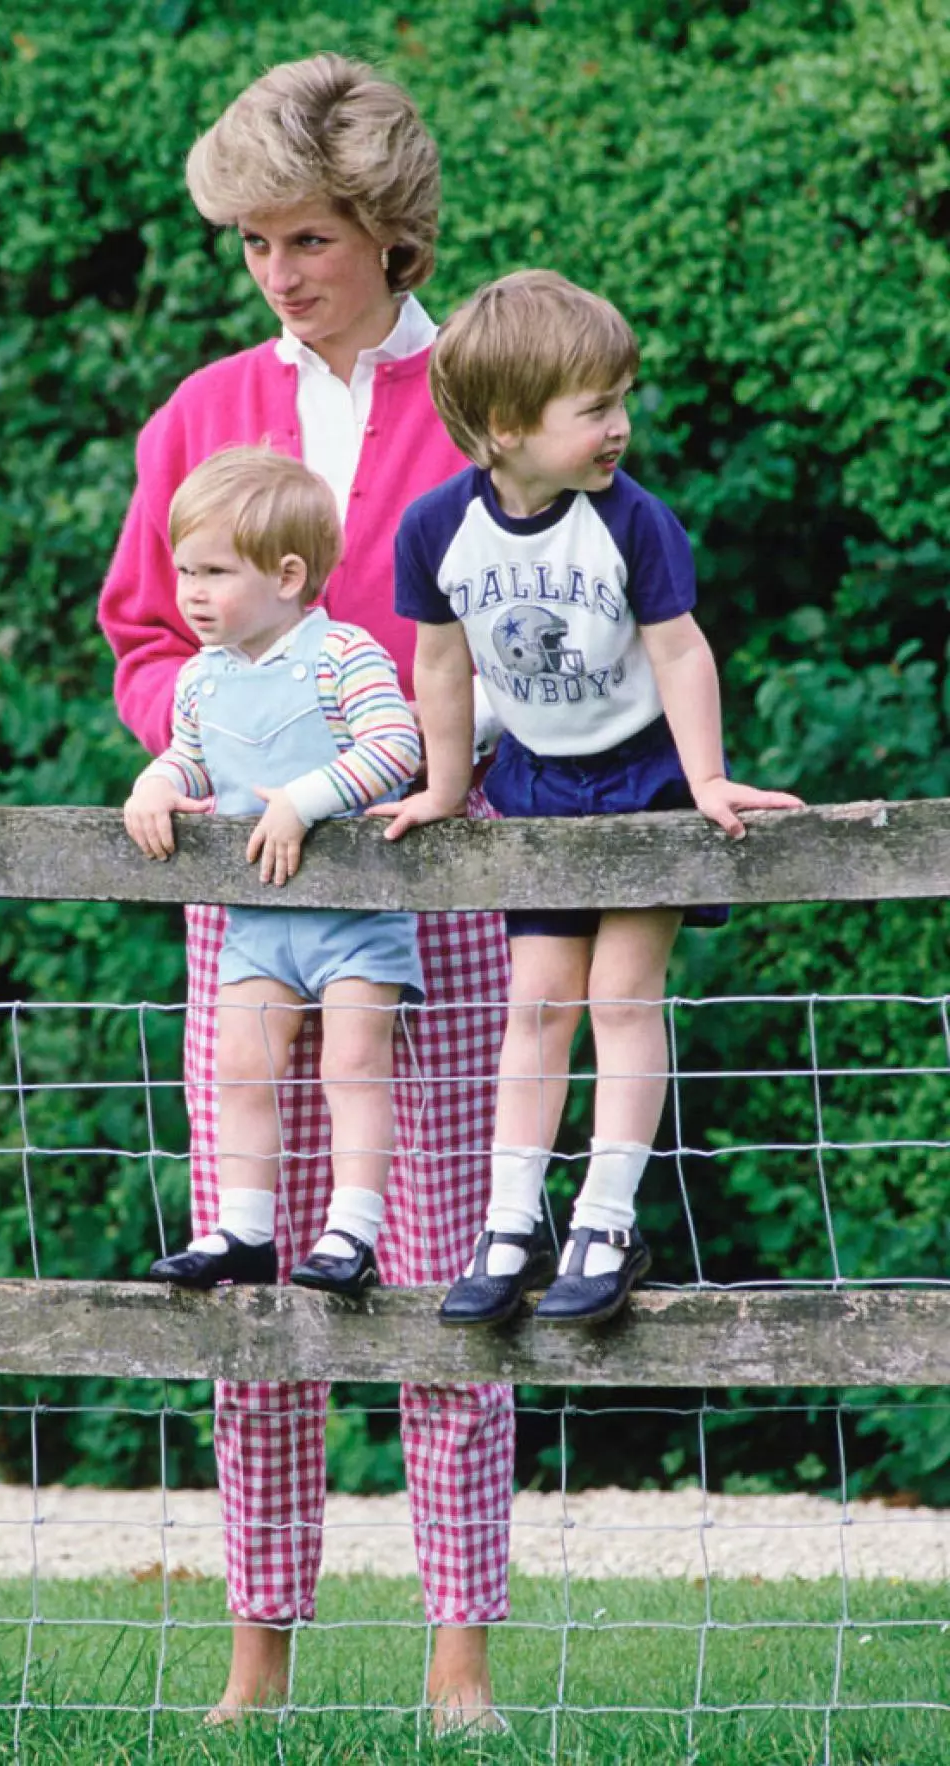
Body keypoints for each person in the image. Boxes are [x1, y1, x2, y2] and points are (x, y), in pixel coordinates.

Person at [99, 55, 512, 1730]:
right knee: (257, 1268)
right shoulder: (203, 414)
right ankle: (257, 1655)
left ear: (390, 232)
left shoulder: (489, 392)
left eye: (307, 235)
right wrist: (197, 753)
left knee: (440, 1274)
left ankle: (460, 1664)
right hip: (254, 906)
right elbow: (143, 635)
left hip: (453, 891)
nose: (276, 268)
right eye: (255, 239)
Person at [379, 268, 804, 1327]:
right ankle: (511, 1218)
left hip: (642, 774)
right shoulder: (437, 531)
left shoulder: (634, 521)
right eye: (595, 408)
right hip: (533, 783)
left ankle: (607, 1217)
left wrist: (704, 777)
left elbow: (680, 650)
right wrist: (442, 784)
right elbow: (440, 668)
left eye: (621, 399)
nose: (620, 426)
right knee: (535, 1007)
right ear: (505, 427)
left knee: (620, 996)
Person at [126, 448, 424, 1297]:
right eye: (183, 570)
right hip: (256, 924)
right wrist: (155, 784)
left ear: (290, 575)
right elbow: (191, 761)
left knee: (352, 1067)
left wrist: (305, 798)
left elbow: (397, 747)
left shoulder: (345, 655)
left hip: (353, 918)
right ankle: (244, 1231)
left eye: (214, 572)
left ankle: (350, 1232)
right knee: (241, 1069)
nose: (189, 592)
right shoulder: (199, 681)